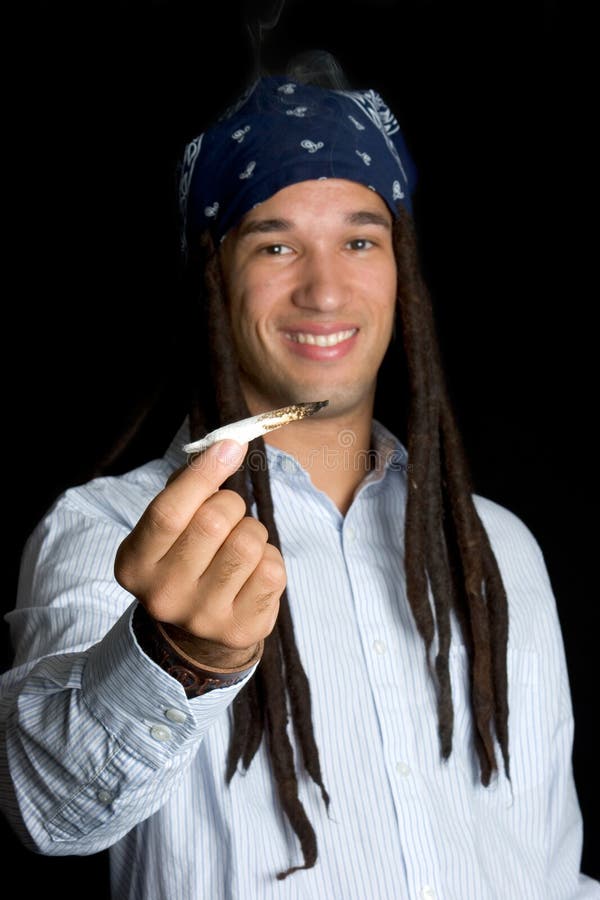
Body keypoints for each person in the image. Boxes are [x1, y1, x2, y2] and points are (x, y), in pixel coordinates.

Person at [1, 61, 598, 900]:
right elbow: (51, 814)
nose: (325, 290)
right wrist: (178, 660)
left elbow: (549, 863)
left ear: (402, 273)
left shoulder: (500, 547)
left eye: (360, 241)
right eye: (276, 244)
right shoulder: (108, 528)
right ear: (212, 274)